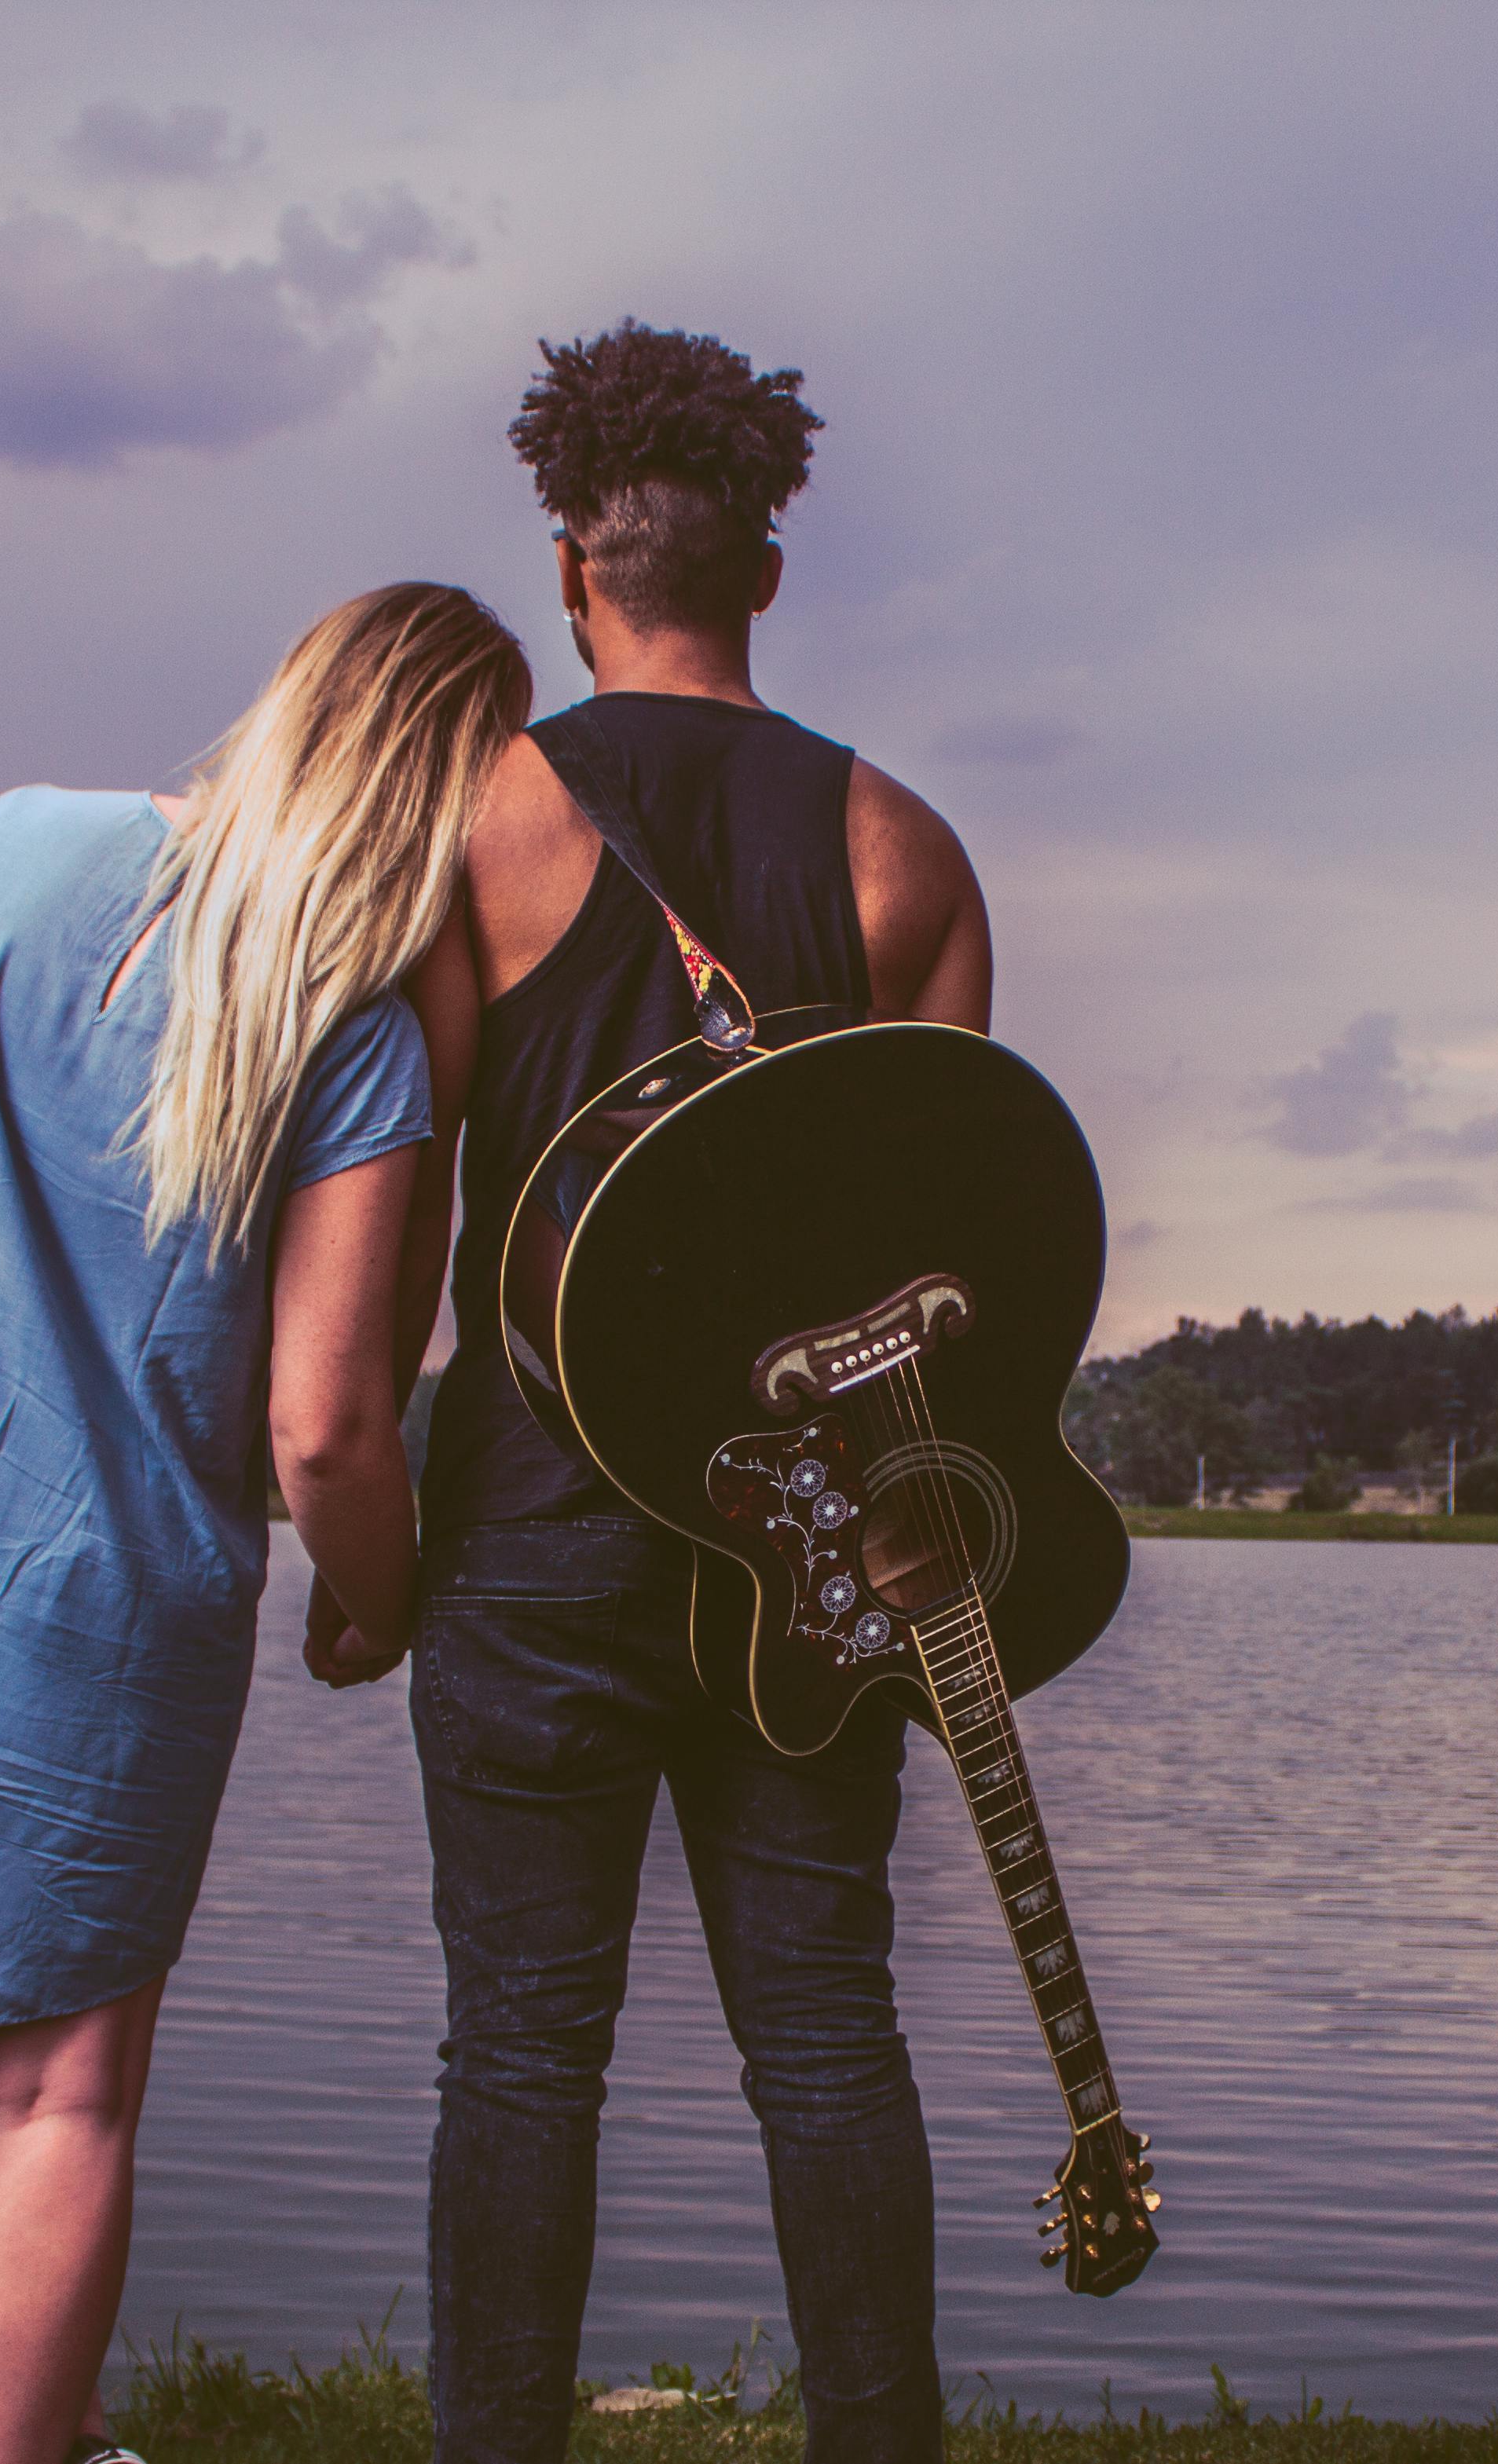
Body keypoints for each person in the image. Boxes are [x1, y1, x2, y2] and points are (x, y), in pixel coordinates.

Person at [0, 583, 530, 2464]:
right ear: (444, 787)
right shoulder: (345, 1016)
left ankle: (65, 2434)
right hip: (88, 1595)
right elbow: (329, 1423)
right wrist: (384, 1601)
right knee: (64, 2100)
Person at [388, 321, 993, 2464]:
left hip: (535, 1523)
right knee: (827, 2040)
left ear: (575, 565)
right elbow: (950, 1283)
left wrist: (365, 1502)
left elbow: (391, 1205)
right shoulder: (903, 849)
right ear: (763, 571)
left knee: (520, 2056)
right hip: (806, 1541)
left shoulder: (483, 823)